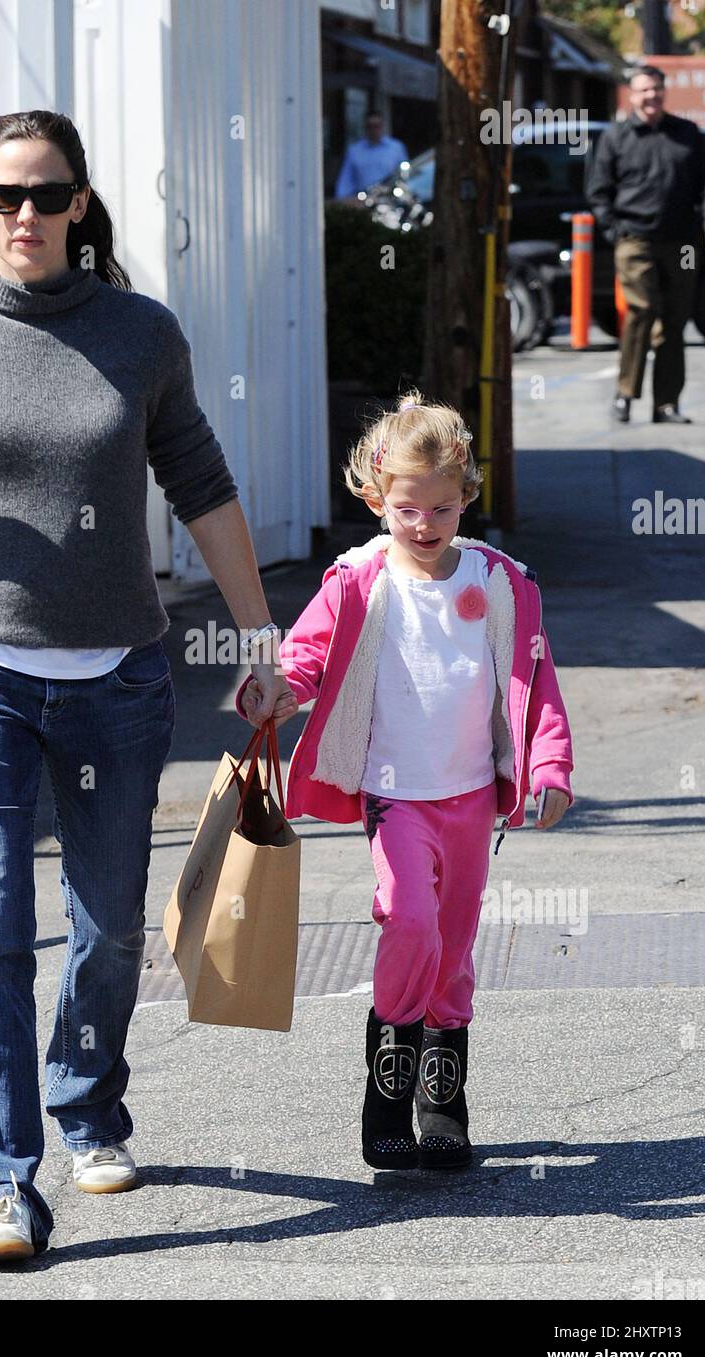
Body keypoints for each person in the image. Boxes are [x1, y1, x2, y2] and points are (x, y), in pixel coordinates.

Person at [0, 109, 296, 1262]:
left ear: (81, 205)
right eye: (3, 197)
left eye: (48, 196)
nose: (26, 217)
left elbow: (199, 479)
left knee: (104, 928)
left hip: (115, 679)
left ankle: (88, 1102)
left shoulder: (138, 333)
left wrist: (259, 640)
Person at [237, 392, 573, 1171]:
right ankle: (388, 1083)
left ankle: (442, 1090)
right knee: (410, 923)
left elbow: (535, 682)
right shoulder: (360, 581)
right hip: (394, 795)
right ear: (375, 498)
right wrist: (279, 688)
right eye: (407, 510)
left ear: (467, 500)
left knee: (453, 944)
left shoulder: (500, 584)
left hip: (468, 798)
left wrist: (549, 767)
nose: (424, 526)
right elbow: (309, 655)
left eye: (443, 511)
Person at [586, 64, 705, 424]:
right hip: (636, 241)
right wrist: (614, 229)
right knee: (643, 309)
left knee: (676, 319)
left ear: (664, 92)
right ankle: (625, 393)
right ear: (632, 95)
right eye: (644, 90)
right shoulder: (616, 137)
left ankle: (666, 404)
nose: (651, 96)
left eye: (657, 89)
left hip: (682, 245)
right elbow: (598, 192)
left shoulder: (687, 134)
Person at [335, 110, 408, 201]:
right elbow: (346, 180)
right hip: (363, 201)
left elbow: (405, 176)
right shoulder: (354, 151)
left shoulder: (396, 148)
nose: (373, 130)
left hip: (390, 201)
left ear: (382, 127)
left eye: (376, 126)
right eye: (370, 127)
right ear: (365, 128)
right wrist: (342, 200)